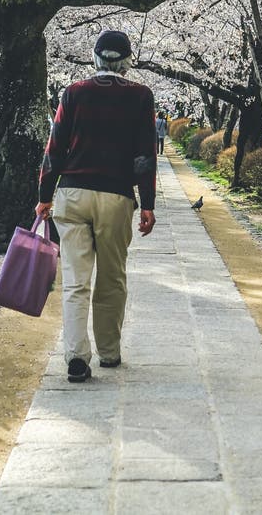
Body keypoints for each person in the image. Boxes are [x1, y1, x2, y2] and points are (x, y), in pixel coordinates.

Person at [36, 29, 157, 384]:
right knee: (112, 277)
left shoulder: (73, 92)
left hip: (72, 194)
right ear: (128, 61)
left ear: (95, 58)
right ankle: (109, 351)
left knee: (75, 280)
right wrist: (147, 204)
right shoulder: (141, 96)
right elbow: (145, 155)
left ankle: (76, 355)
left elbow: (54, 147)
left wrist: (45, 195)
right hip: (116, 197)